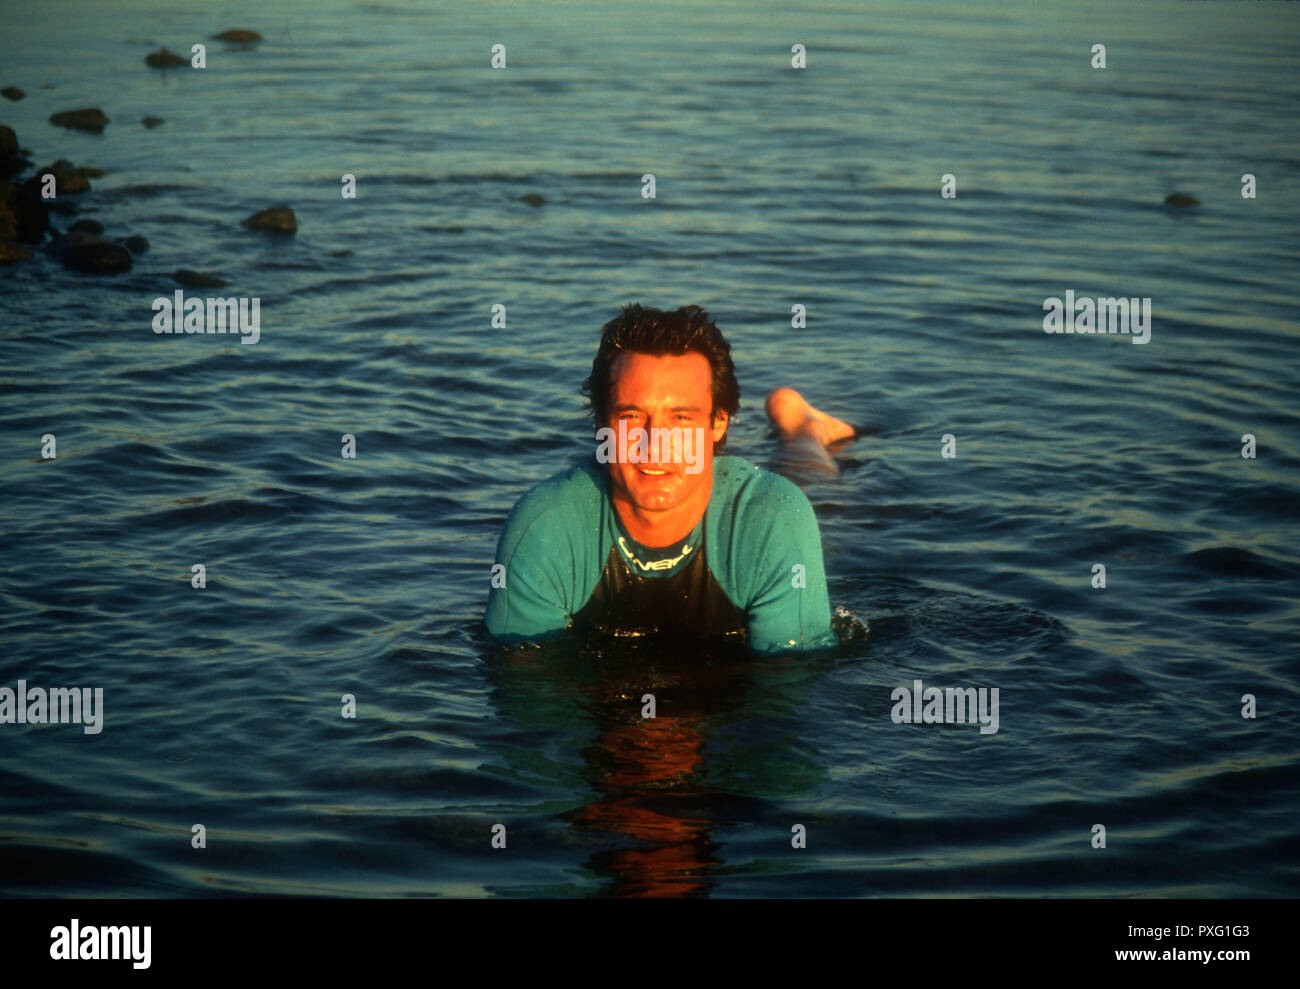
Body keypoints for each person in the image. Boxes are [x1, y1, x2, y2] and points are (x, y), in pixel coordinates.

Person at [484, 303, 856, 653]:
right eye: (631, 417)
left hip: (764, 507)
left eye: (681, 419)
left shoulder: (773, 524)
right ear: (601, 424)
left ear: (718, 423)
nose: (655, 445)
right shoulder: (545, 528)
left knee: (810, 477)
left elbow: (789, 695)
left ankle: (802, 428)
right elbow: (524, 697)